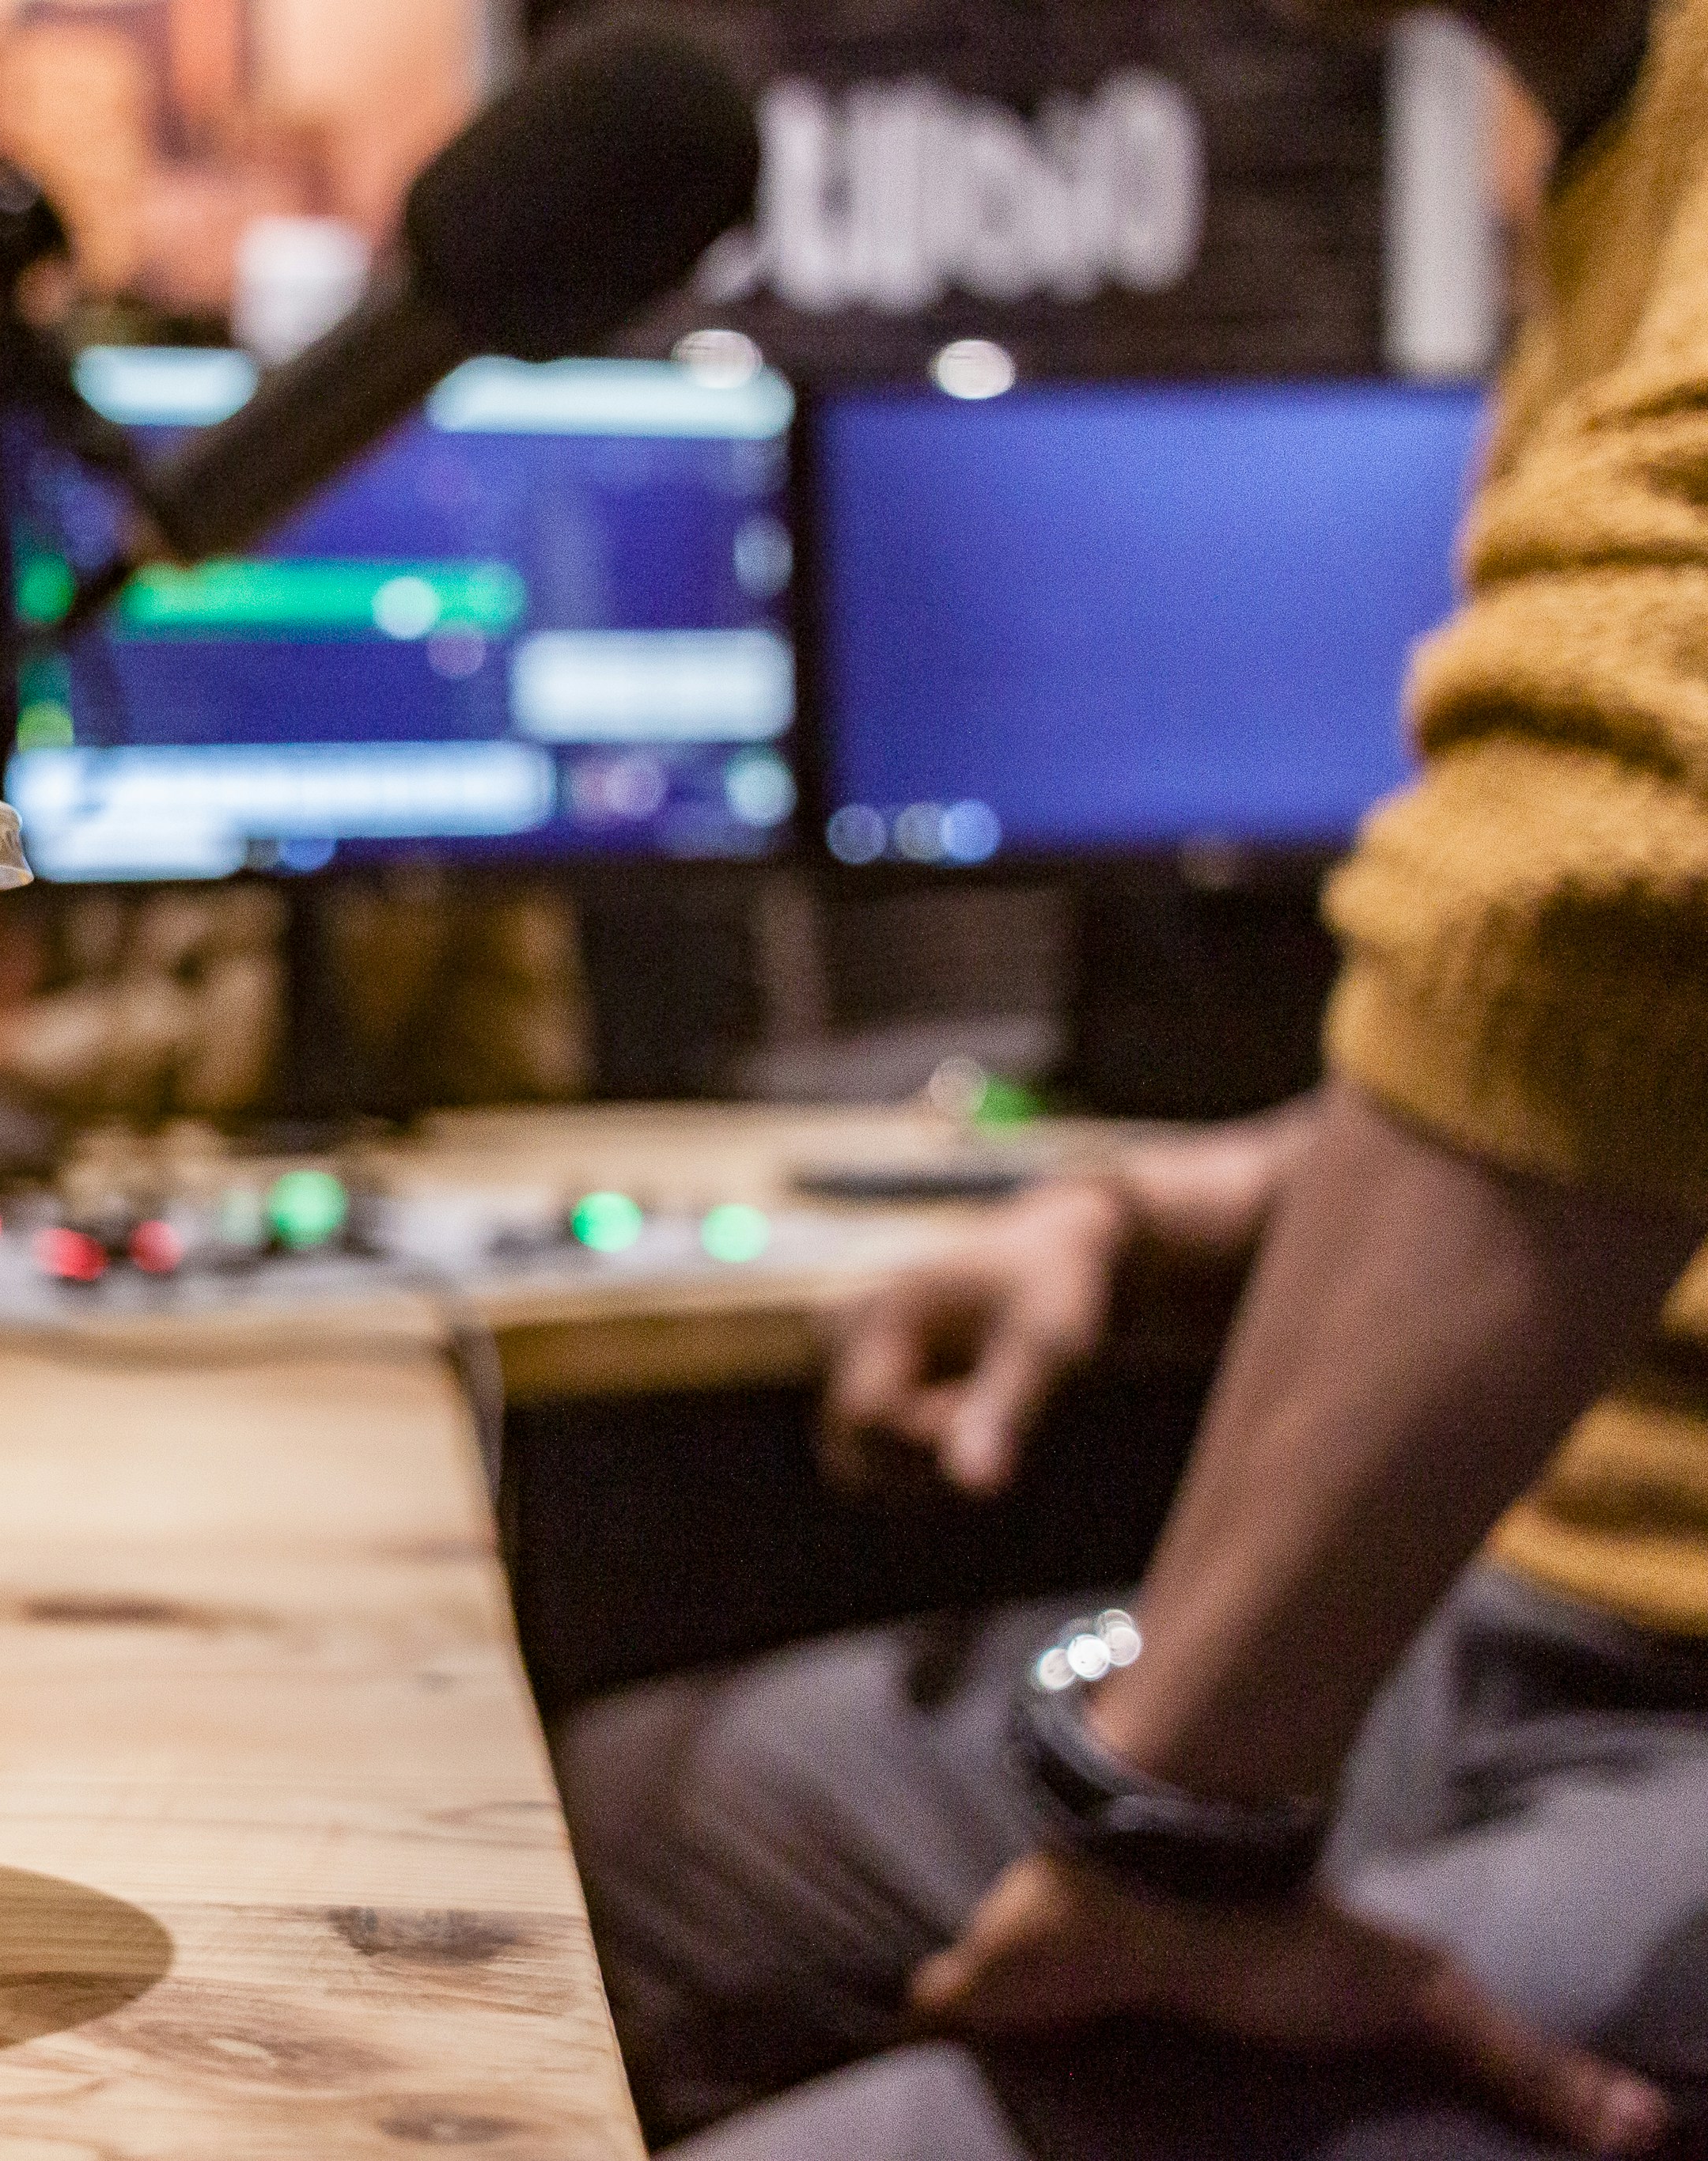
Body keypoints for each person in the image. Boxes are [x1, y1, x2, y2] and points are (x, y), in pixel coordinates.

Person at [555, 2, 1708, 2153]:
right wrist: (1159, 1204)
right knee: (592, 1851)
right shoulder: (1610, 161)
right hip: (1515, 1613)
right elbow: (1621, 1055)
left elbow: (1606, 904)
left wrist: (1174, 1828)